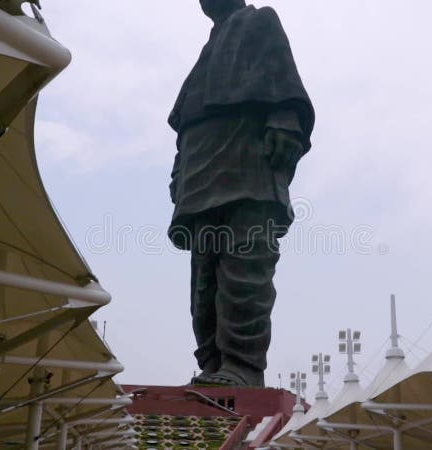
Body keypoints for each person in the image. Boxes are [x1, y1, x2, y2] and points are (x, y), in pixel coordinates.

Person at [167, 0, 315, 386]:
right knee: (204, 280)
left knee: (244, 267)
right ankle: (213, 362)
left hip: (246, 164)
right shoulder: (208, 49)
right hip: (202, 174)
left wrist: (284, 121)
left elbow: (284, 87)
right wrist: (179, 169)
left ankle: (243, 365)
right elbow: (187, 122)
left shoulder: (259, 21)